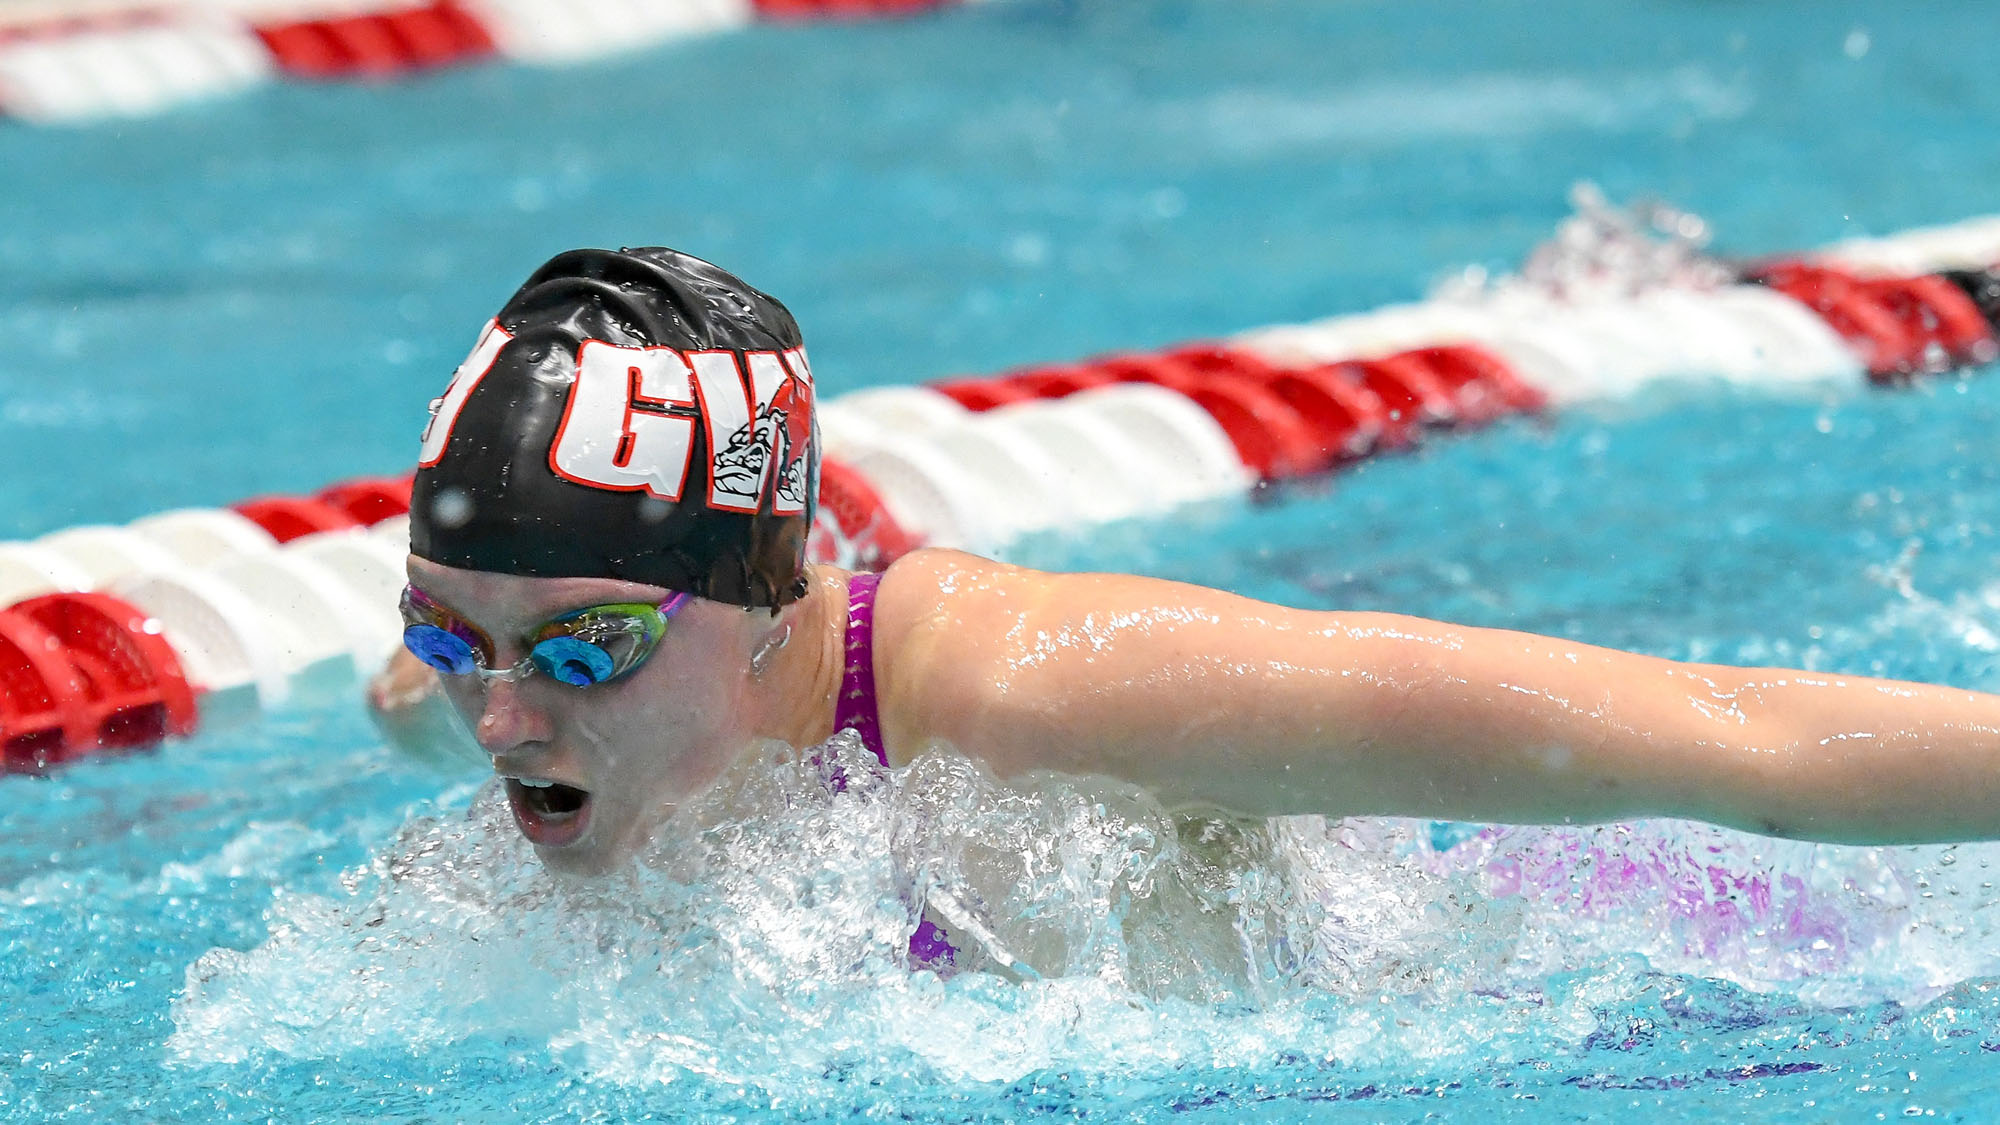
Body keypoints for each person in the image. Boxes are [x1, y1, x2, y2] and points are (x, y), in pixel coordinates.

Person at [374, 244, 2000, 886]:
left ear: (765, 590)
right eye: (453, 638)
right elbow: (438, 684)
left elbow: (1733, 735)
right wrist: (466, 655)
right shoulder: (512, 699)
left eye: (584, 648)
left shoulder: (1040, 695)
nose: (500, 721)